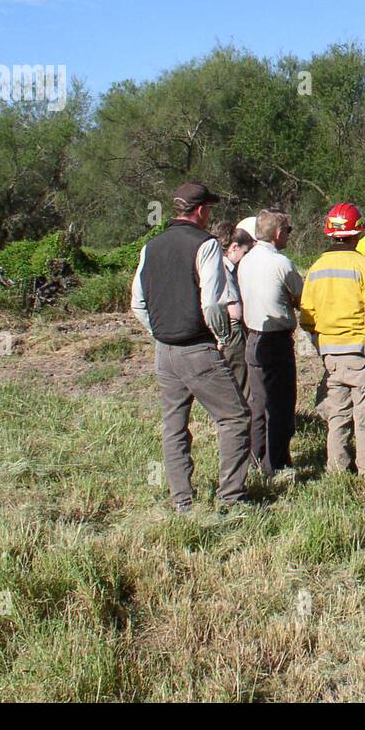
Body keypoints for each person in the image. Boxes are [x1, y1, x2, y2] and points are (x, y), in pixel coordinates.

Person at [130, 183, 252, 514]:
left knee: (174, 425)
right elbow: (211, 303)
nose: (210, 215)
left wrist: (161, 331)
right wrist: (222, 337)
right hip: (196, 347)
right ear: (200, 211)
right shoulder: (207, 244)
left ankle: (182, 501)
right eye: (209, 210)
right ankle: (232, 497)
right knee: (235, 417)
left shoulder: (150, 247)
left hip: (163, 351)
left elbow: (137, 304)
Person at [301, 203, 365, 482]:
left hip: (331, 355)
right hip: (362, 354)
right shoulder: (364, 266)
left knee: (337, 416)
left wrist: (323, 341)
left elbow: (307, 316)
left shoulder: (316, 267)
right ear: (357, 233)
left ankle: (337, 473)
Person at [238, 207, 303, 474]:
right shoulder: (281, 263)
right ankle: (277, 463)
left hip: (252, 338)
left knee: (258, 403)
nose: (288, 235)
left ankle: (257, 458)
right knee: (281, 404)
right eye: (287, 230)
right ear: (278, 233)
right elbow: (302, 298)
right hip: (276, 341)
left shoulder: (245, 260)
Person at [211, 218, 256, 403]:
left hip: (222, 331)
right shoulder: (223, 269)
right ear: (234, 247)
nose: (245, 258)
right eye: (245, 252)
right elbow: (235, 311)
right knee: (243, 383)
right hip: (232, 332)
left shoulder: (212, 264)